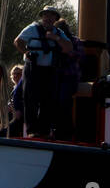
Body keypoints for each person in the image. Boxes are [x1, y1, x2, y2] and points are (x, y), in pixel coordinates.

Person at [13, 8, 71, 137]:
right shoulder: (32, 28)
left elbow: (68, 48)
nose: (48, 18)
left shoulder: (58, 33)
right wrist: (26, 52)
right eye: (45, 15)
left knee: (48, 101)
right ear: (42, 17)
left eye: (51, 16)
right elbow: (18, 41)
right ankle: (32, 131)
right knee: (30, 99)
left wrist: (55, 38)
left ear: (55, 19)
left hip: (50, 70)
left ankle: (44, 131)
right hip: (33, 68)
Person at [54, 18, 84, 139]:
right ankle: (54, 129)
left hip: (70, 77)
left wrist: (65, 49)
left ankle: (67, 132)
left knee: (64, 101)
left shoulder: (75, 41)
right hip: (56, 76)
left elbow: (80, 56)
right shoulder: (53, 41)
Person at [8, 64, 25, 138]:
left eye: (18, 74)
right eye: (13, 74)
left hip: (18, 116)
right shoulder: (13, 89)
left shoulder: (24, 89)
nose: (15, 76)